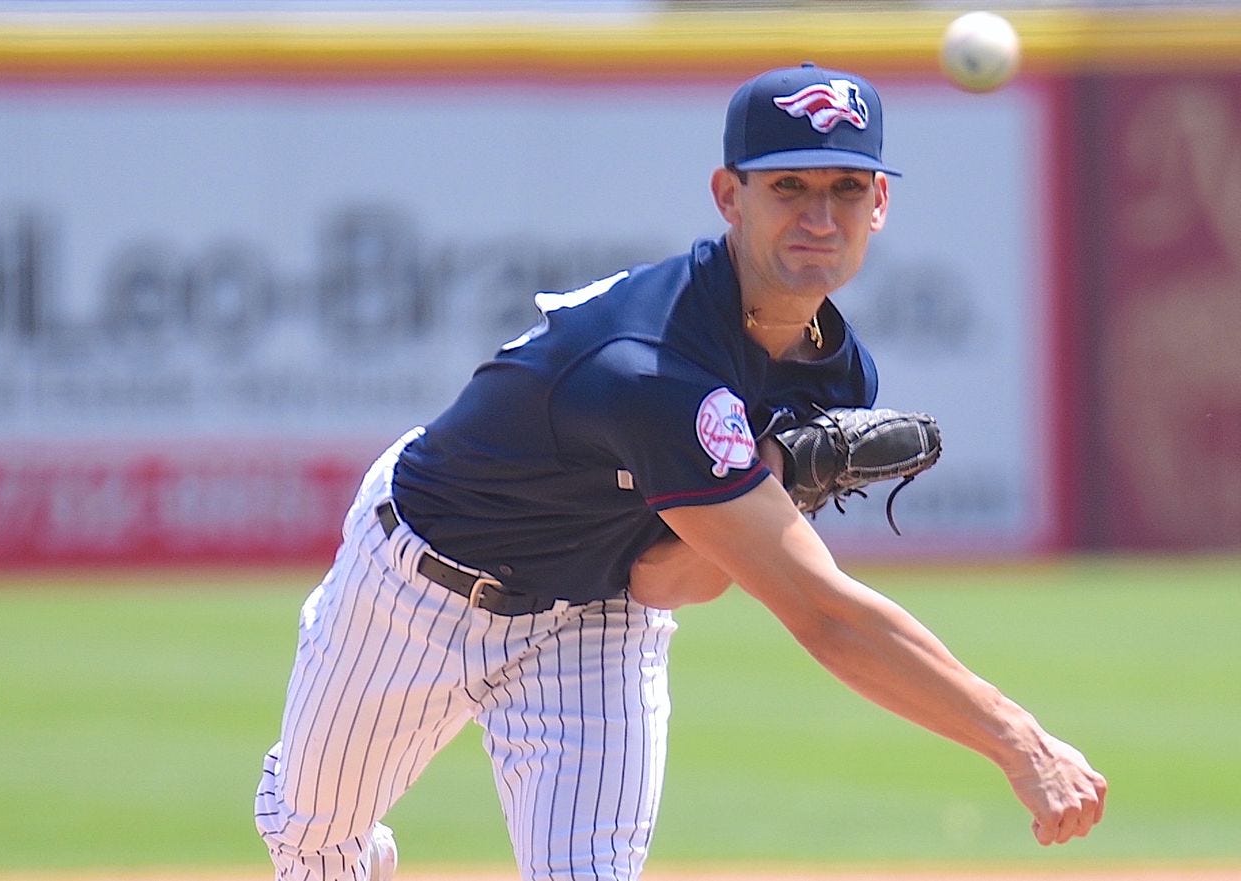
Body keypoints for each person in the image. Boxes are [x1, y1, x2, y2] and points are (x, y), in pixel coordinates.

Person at [254, 62, 1106, 881]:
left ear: (879, 203)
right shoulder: (648, 369)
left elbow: (665, 579)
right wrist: (1017, 740)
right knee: (314, 847)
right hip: (422, 581)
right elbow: (823, 615)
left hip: (599, 609)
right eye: (788, 187)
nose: (820, 215)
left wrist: (776, 475)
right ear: (729, 195)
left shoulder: (835, 379)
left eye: (846, 187)